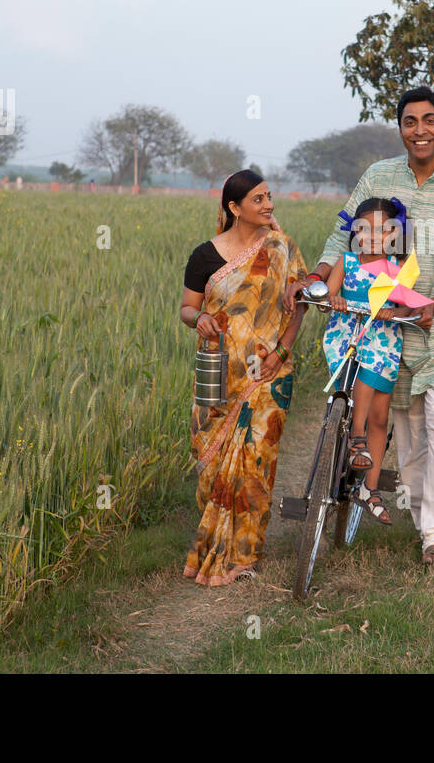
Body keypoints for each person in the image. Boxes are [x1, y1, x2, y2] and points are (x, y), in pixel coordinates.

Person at [284, 86, 434, 570]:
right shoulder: (378, 176)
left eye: (429, 121)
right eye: (409, 122)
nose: (419, 130)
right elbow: (343, 234)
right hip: (382, 323)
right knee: (405, 424)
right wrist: (319, 278)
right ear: (400, 127)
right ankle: (420, 515)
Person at [179, 169, 307, 586]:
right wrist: (198, 319)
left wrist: (282, 351)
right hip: (217, 374)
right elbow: (186, 308)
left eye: (269, 196)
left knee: (257, 463)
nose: (268, 204)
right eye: (258, 199)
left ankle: (245, 555)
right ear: (234, 208)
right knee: (213, 468)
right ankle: (215, 543)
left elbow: (298, 306)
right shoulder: (205, 256)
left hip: (271, 372)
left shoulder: (283, 248)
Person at [322, 197, 420, 525]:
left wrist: (396, 310)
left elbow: (408, 306)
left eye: (383, 230)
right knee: (366, 364)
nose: (373, 236)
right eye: (364, 229)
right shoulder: (346, 262)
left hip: (384, 338)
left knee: (381, 415)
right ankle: (356, 439)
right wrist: (333, 300)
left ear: (395, 234)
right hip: (347, 336)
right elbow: (328, 296)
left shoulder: (398, 269)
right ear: (354, 231)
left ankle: (371, 488)